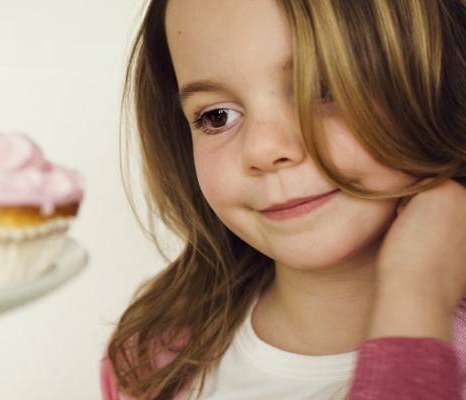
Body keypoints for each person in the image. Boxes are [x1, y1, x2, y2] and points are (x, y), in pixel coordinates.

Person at [101, 0, 466, 399]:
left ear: (438, 81)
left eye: (323, 88)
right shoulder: (152, 356)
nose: (262, 149)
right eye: (217, 116)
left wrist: (416, 293)